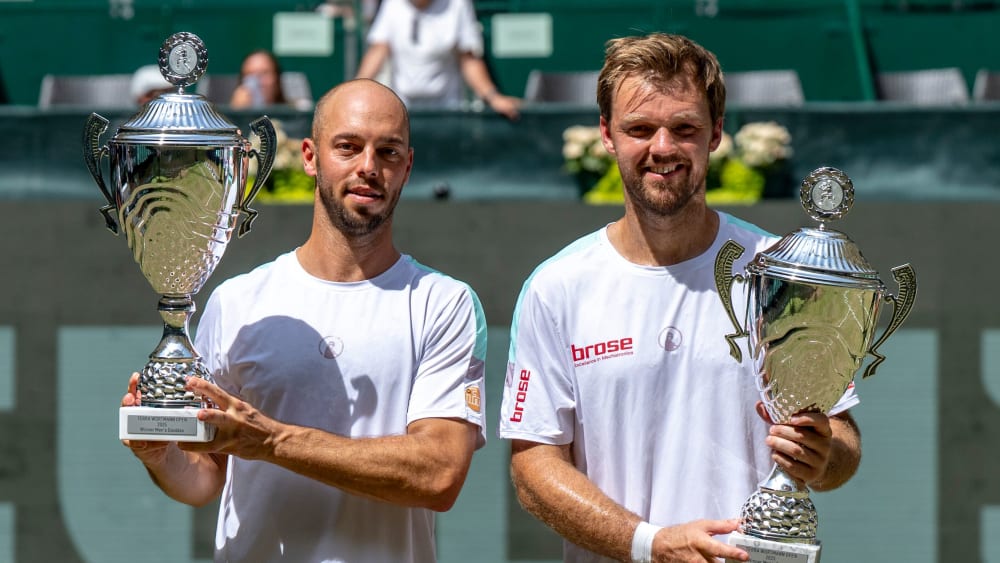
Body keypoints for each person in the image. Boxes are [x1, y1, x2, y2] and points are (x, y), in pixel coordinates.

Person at [498, 33, 862, 563]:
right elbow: (533, 468)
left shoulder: (782, 273)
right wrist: (649, 544)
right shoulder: (557, 287)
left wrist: (822, 454)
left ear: (715, 133)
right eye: (640, 129)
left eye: (683, 128)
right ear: (606, 134)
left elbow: (843, 444)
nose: (662, 148)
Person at [122, 78, 488, 562]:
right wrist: (162, 457)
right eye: (349, 147)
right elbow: (205, 474)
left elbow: (438, 475)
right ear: (312, 157)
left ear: (408, 166)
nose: (368, 167)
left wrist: (272, 441)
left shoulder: (444, 303)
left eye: (389, 152)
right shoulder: (237, 301)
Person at [355, 0, 521, 120]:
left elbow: (469, 59)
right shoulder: (392, 4)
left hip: (446, 112)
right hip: (403, 112)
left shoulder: (458, 5)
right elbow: (378, 51)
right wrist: (355, 92)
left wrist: (493, 97)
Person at [230, 49, 311, 110]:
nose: (257, 82)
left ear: (277, 79)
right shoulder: (231, 117)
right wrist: (236, 113)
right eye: (250, 75)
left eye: (264, 73)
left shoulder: (295, 111)